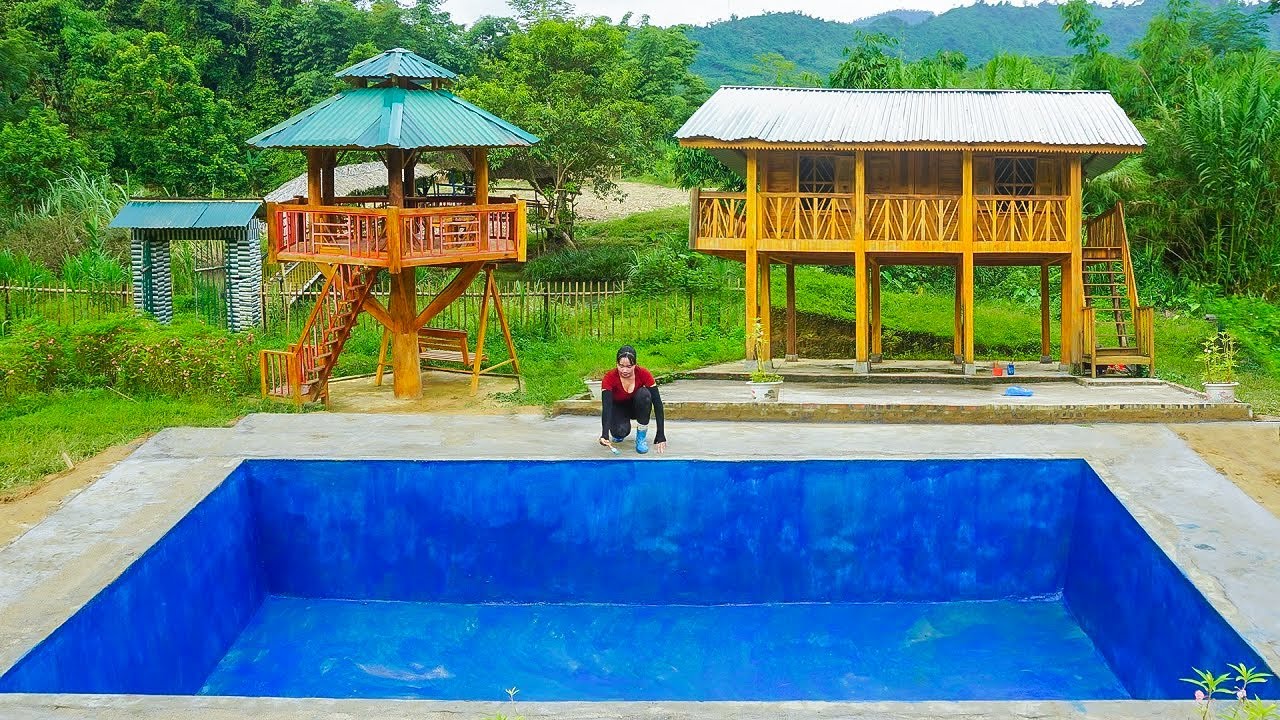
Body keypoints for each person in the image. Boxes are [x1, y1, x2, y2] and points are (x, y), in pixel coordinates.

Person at [598, 345, 667, 454]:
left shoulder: (644, 374)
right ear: (617, 364)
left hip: (637, 407)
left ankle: (641, 438)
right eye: (621, 366)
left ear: (635, 365)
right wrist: (604, 434)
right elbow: (607, 407)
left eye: (629, 366)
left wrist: (661, 434)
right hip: (619, 408)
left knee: (644, 394)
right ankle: (618, 432)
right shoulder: (609, 377)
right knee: (620, 432)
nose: (624, 370)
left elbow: (657, 404)